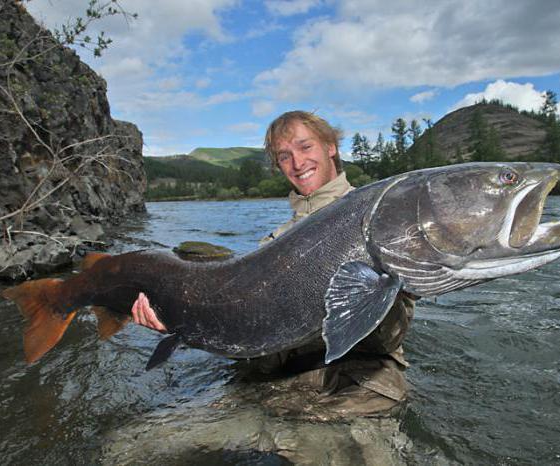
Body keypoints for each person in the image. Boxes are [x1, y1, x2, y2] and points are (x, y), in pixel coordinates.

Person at [131, 110, 415, 415]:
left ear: (330, 146)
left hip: (358, 387)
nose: (297, 163)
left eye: (306, 147)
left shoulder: (381, 216)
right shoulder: (272, 244)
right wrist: (179, 320)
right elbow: (248, 341)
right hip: (278, 385)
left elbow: (392, 334)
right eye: (284, 156)